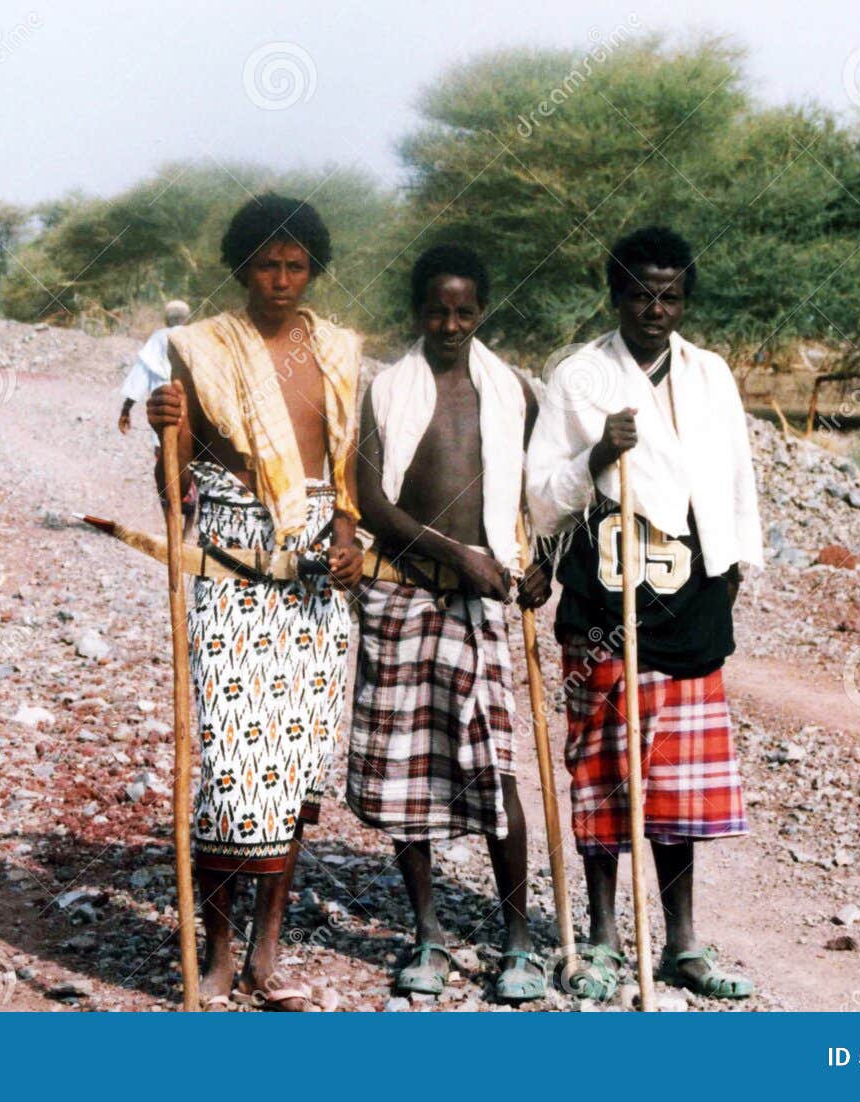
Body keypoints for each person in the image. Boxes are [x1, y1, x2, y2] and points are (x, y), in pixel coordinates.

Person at [525, 226, 763, 1003]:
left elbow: (734, 479)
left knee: (678, 782)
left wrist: (730, 574)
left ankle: (682, 943)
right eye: (641, 294)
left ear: (684, 299)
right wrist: (597, 454)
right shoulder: (580, 378)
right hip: (603, 592)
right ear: (616, 295)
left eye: (671, 296)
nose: (657, 309)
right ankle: (600, 936)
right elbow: (541, 499)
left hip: (690, 591)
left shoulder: (711, 375)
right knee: (603, 767)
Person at [147, 195, 364, 1011]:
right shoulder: (196, 351)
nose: (280, 279)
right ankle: (220, 946)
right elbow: (175, 499)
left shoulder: (339, 352)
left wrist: (348, 539)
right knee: (235, 770)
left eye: (296, 265)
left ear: (314, 269)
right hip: (233, 570)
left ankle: (269, 952)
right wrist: (164, 431)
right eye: (267, 265)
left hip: (315, 585)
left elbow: (348, 477)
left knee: (293, 768)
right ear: (241, 268)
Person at [348, 245, 552, 1002]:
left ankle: (518, 939)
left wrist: (542, 567)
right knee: (408, 772)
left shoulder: (513, 393)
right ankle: (428, 935)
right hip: (403, 594)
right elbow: (370, 502)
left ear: (482, 312)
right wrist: (453, 554)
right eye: (437, 309)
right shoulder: (389, 389)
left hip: (483, 602)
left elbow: (542, 494)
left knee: (495, 769)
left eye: (465, 310)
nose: (450, 323)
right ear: (417, 311)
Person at [119, 299, 192, 519]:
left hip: (162, 411)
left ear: (165, 319)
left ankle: (170, 506)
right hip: (190, 414)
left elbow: (139, 378)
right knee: (192, 460)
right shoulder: (195, 337)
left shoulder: (157, 339)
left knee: (164, 458)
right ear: (187, 318)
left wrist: (126, 409)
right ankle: (188, 509)